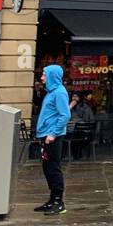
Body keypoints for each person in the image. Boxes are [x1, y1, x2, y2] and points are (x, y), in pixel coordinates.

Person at [34, 64, 71, 216]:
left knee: (53, 168)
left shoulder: (59, 93)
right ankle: (52, 200)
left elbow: (65, 115)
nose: (42, 77)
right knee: (47, 168)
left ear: (52, 76)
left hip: (52, 137)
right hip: (46, 135)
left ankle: (58, 202)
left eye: (44, 74)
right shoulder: (51, 92)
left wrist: (53, 134)